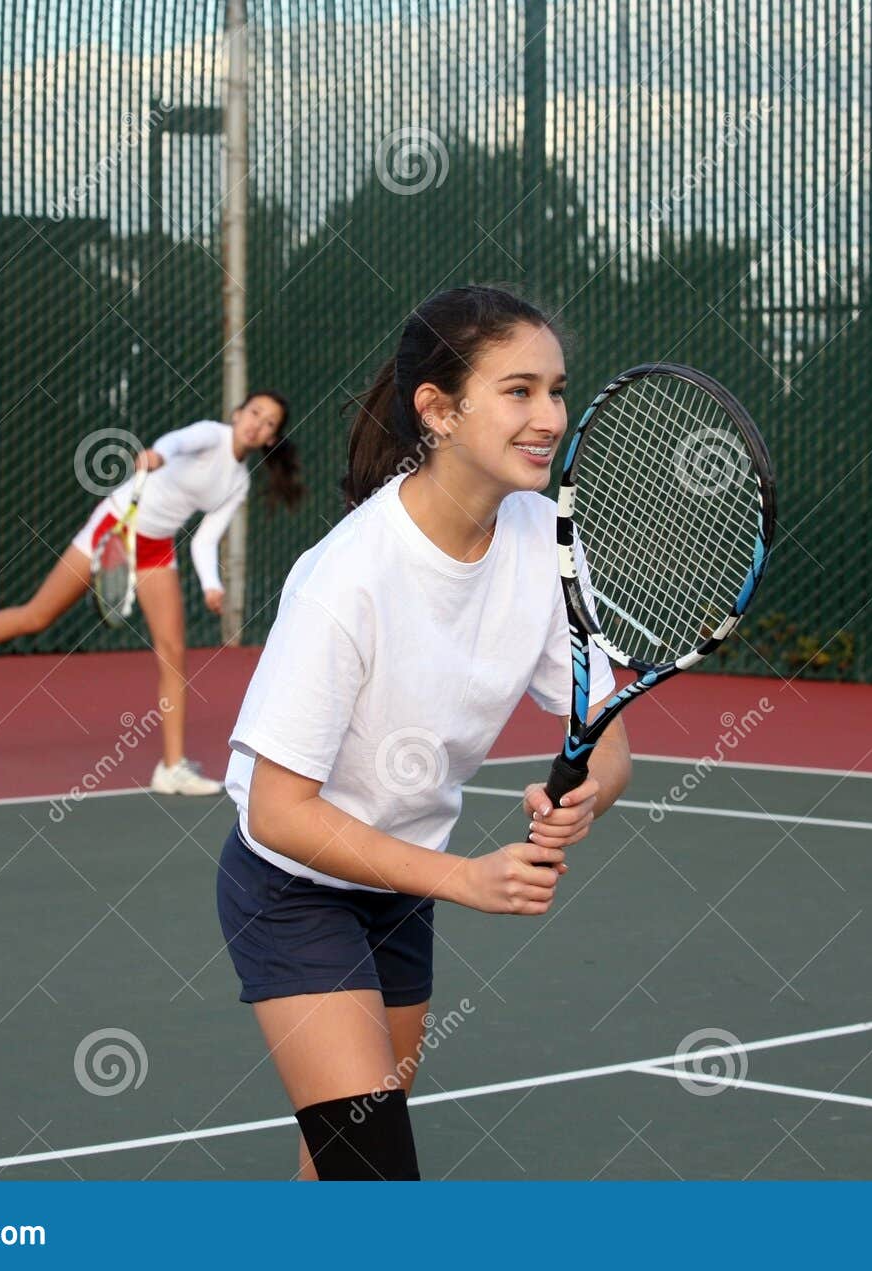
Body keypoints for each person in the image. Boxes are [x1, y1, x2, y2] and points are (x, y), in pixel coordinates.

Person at [216, 286, 632, 1180]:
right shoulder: (347, 577)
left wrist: (591, 792)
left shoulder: (552, 540)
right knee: (375, 1176)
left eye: (556, 390)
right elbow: (277, 808)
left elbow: (605, 730)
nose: (549, 416)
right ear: (438, 410)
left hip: (397, 892)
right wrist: (465, 878)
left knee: (337, 1170)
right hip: (294, 891)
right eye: (519, 390)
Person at [0, 391, 302, 795]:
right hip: (116, 524)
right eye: (255, 413)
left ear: (270, 439)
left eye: (269, 423)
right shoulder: (209, 434)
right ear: (238, 413)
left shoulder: (238, 483)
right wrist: (157, 455)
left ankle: (172, 767)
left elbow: (205, 542)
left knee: (173, 651)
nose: (258, 423)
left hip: (155, 547)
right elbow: (176, 442)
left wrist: (212, 585)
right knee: (38, 616)